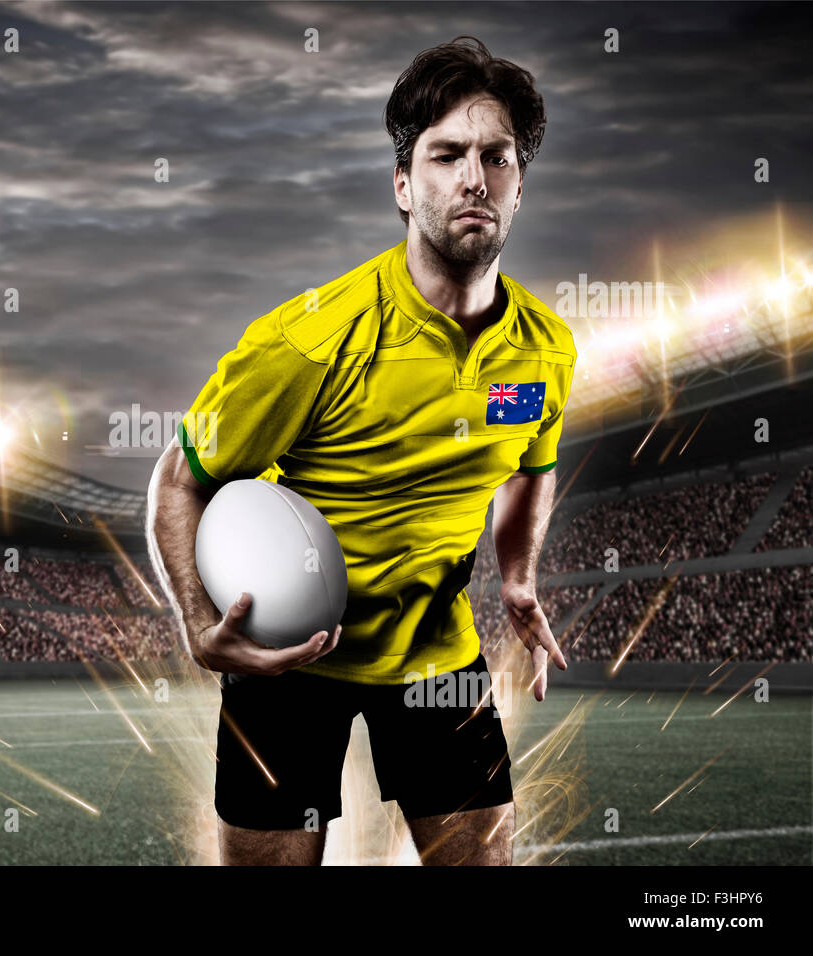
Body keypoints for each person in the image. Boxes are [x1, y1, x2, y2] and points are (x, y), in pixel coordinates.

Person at [147, 36, 575, 866]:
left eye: (498, 157)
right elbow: (178, 478)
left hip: (438, 662)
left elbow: (534, 465)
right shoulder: (310, 340)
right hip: (286, 666)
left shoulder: (547, 347)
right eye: (446, 154)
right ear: (404, 186)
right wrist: (202, 629)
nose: (474, 176)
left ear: (520, 186)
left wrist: (518, 577)